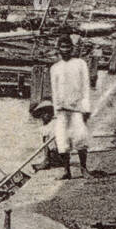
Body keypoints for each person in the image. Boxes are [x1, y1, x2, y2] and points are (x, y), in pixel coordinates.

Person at [49, 34, 94, 179]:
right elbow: (54, 91)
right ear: (58, 49)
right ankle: (66, 170)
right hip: (62, 109)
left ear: (72, 48)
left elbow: (86, 86)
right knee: (62, 140)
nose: (65, 50)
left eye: (68, 47)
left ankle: (83, 168)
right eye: (63, 47)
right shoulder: (55, 68)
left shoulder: (80, 63)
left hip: (77, 108)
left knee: (81, 138)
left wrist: (86, 108)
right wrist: (55, 110)